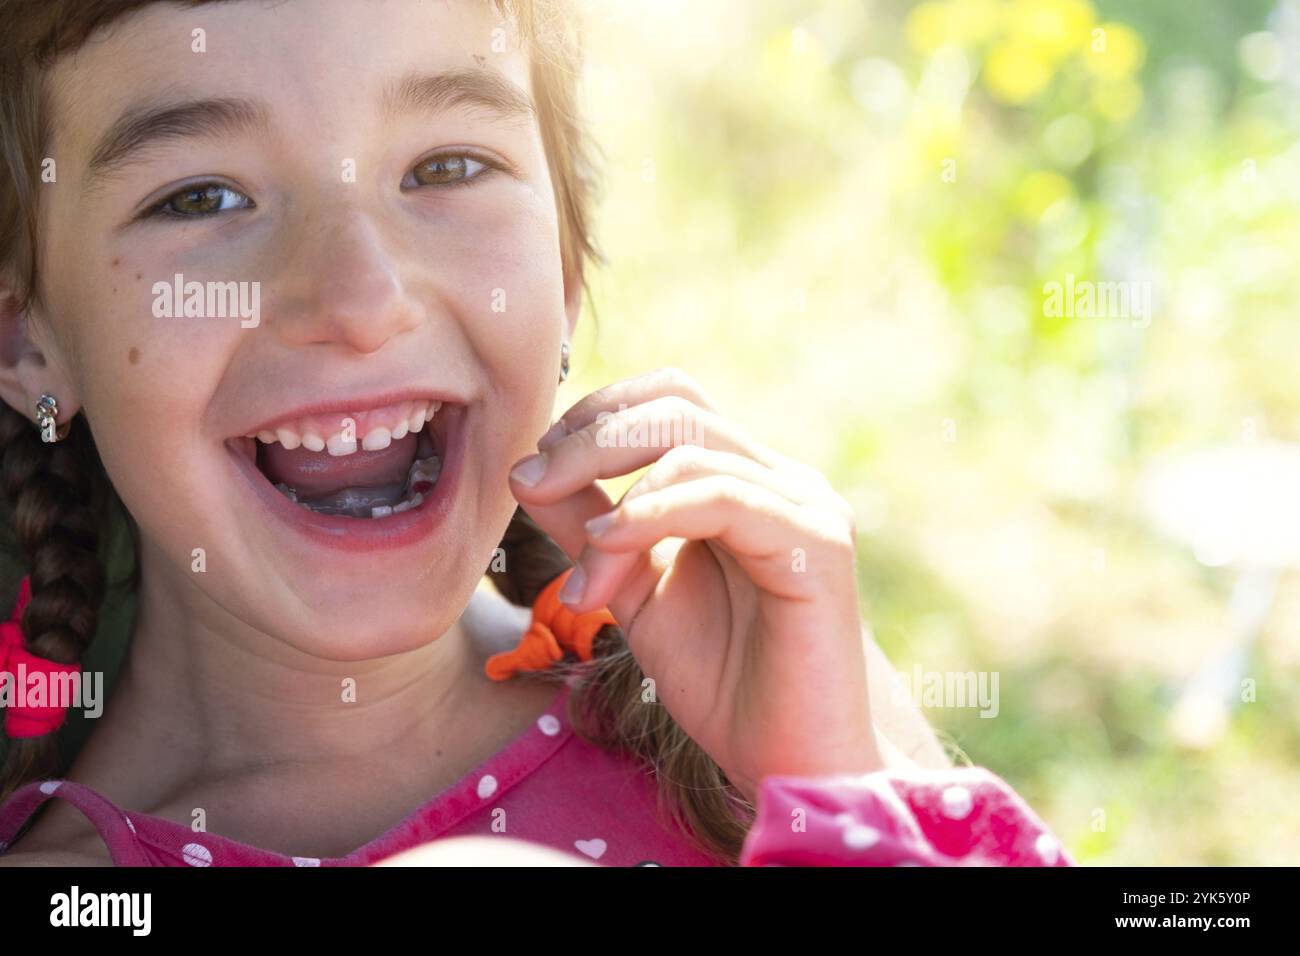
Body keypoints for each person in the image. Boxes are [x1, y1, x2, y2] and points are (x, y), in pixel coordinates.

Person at [0, 0, 1071, 867]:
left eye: (446, 168)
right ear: (24, 343)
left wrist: (834, 785)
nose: (361, 296)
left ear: (567, 267)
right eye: (200, 195)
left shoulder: (778, 711)